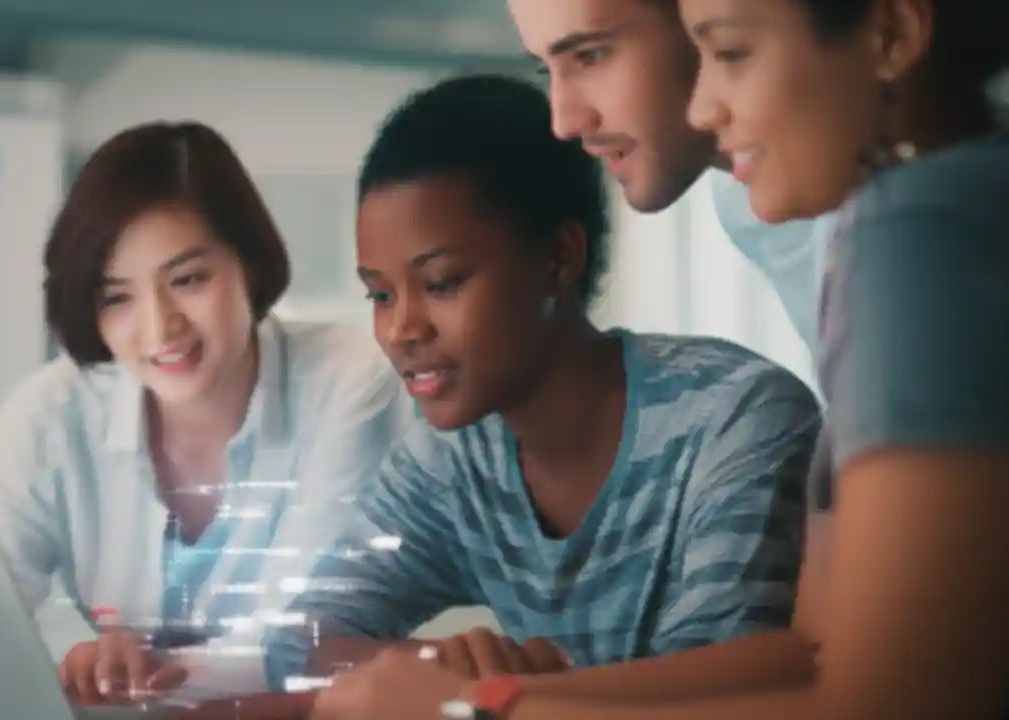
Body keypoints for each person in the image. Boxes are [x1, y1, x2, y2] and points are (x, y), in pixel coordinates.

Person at [312, 1, 1009, 718]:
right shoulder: (892, 224)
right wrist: (495, 692)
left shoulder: (929, 231)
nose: (704, 105)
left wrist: (470, 712)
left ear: (891, 34)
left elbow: (902, 700)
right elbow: (811, 653)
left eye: (730, 52)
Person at [264, 73, 821, 705]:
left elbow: (722, 687)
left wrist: (498, 696)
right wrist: (430, 666)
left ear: (559, 256)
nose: (401, 329)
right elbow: (297, 641)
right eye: (380, 295)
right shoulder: (450, 462)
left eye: (443, 282)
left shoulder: (734, 418)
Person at [0, 121, 410, 705]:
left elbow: (307, 634)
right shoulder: (47, 417)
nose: (160, 327)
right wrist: (75, 655)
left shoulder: (348, 382)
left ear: (248, 265)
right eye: (118, 297)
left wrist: (124, 672)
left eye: (188, 279)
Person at [507, 0, 834, 355]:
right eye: (546, 71)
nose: (565, 123)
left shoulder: (863, 188)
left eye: (590, 56)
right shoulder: (738, 199)